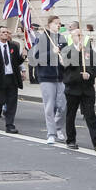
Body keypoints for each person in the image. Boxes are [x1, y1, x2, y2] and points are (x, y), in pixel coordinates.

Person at [60, 23, 96, 152]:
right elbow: (66, 64)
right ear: (72, 37)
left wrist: (90, 74)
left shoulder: (89, 51)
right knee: (71, 115)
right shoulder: (67, 50)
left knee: (90, 115)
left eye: (82, 35)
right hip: (72, 88)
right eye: (78, 35)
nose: (80, 37)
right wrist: (77, 51)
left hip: (87, 88)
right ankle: (71, 140)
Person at [30, 15, 67, 144]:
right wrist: (52, 52)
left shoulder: (62, 39)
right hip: (46, 76)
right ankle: (51, 133)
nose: (58, 26)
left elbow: (67, 55)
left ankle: (58, 128)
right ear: (49, 24)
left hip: (60, 77)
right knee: (49, 106)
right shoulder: (42, 38)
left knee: (62, 106)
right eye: (56, 23)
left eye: (60, 24)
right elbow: (36, 57)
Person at [0, 25, 24, 132]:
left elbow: (16, 62)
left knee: (12, 103)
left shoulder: (14, 47)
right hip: (0, 79)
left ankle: (9, 125)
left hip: (12, 78)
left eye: (7, 32)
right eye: (2, 32)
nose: (5, 34)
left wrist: (23, 57)